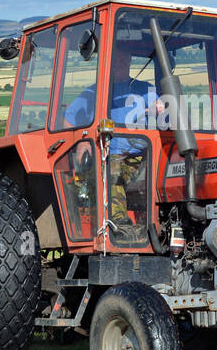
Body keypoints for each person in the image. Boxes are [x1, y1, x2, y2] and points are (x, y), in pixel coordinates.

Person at [61, 50, 160, 240]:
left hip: (141, 155)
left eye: (125, 57)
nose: (122, 61)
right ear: (110, 62)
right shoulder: (95, 92)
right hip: (109, 155)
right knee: (104, 173)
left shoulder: (143, 88)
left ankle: (137, 228)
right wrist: (81, 142)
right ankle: (119, 227)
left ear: (130, 60)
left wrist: (158, 107)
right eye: (118, 58)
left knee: (121, 171)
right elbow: (68, 118)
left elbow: (158, 105)